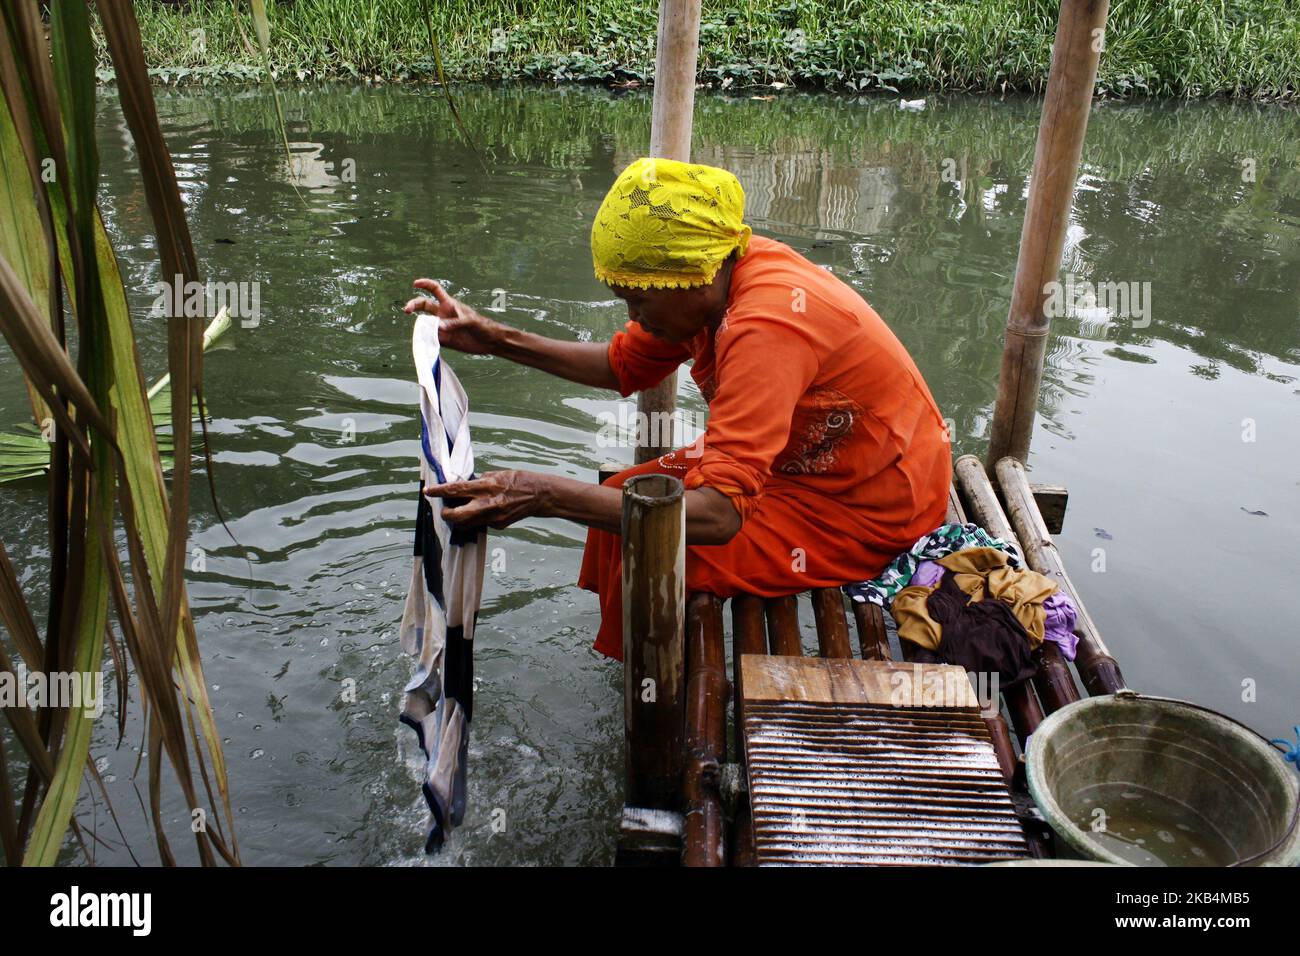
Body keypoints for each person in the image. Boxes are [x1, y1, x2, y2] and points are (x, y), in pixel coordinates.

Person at [404, 157, 950, 659]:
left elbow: (719, 515)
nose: (636, 317)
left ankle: (653, 703)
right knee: (621, 500)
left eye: (640, 299)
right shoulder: (715, 274)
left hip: (866, 502)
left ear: (696, 276)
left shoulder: (767, 326)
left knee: (656, 547)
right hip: (802, 459)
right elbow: (624, 366)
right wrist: (494, 337)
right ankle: (636, 671)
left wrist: (544, 493)